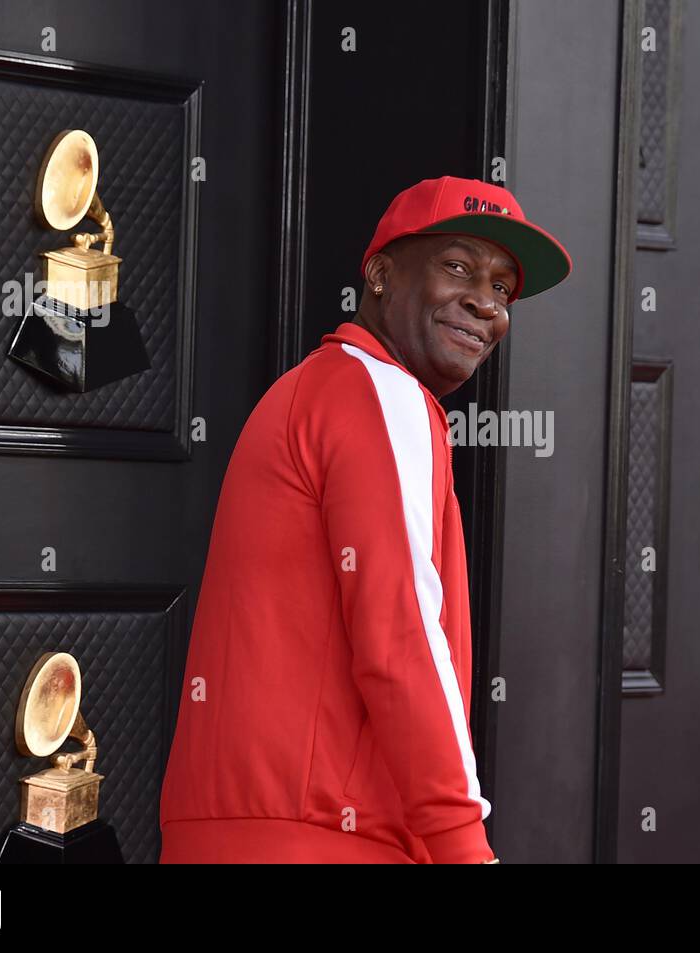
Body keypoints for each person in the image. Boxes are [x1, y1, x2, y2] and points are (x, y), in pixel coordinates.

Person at [158, 175, 573, 863]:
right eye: (460, 266)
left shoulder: (309, 390)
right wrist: (465, 848)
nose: (485, 301)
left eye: (504, 287)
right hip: (325, 840)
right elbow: (399, 636)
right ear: (380, 274)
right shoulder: (377, 392)